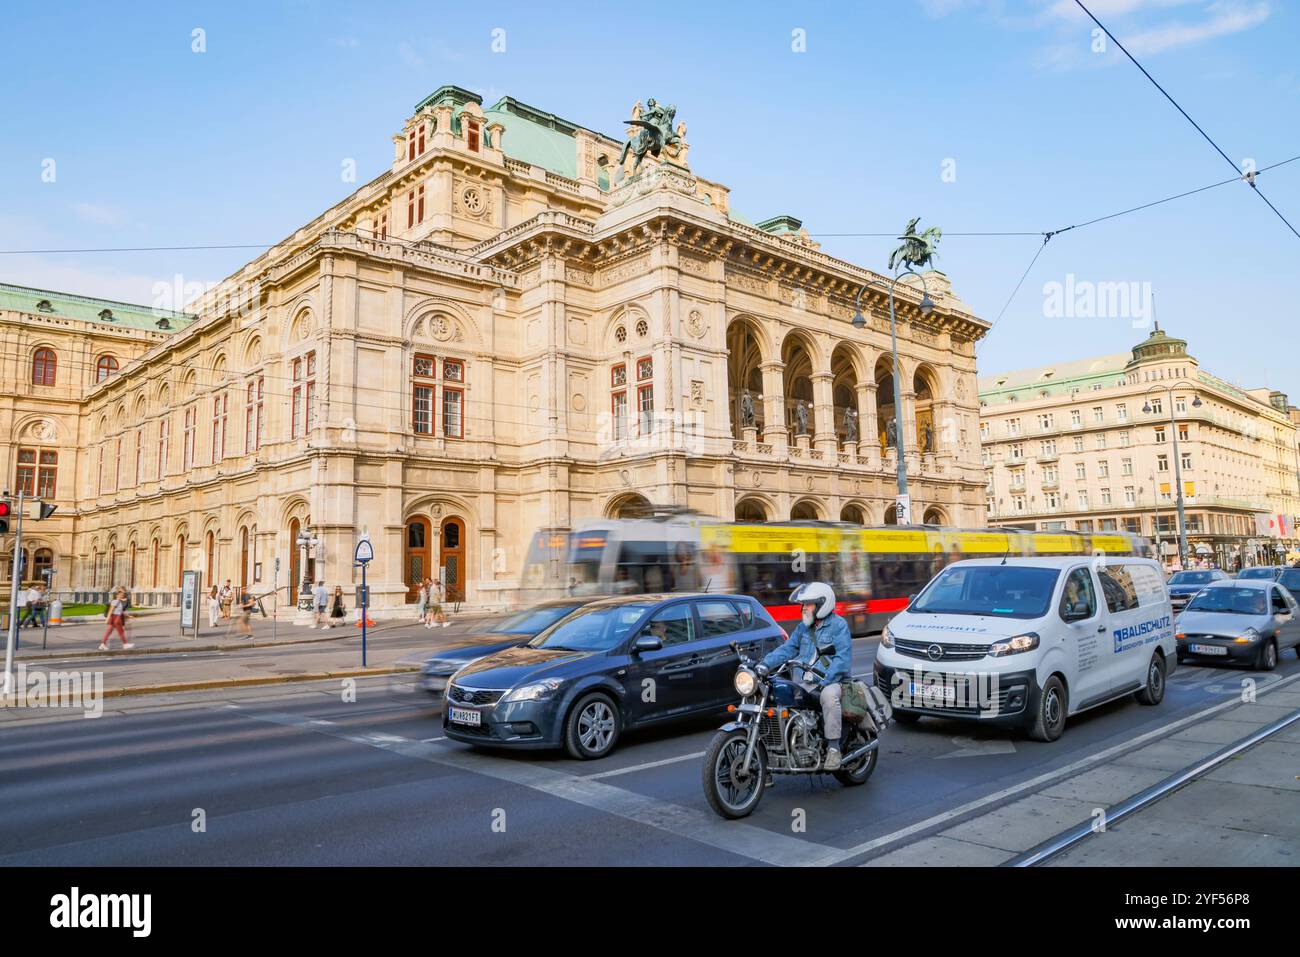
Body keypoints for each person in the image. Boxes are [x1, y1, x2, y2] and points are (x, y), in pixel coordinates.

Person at [755, 581, 851, 770]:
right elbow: (787, 649)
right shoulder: (802, 629)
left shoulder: (839, 626)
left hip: (833, 682)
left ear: (822, 605)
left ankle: (833, 749)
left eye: (808, 604)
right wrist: (764, 665)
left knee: (828, 697)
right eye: (803, 604)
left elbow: (842, 660)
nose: (803, 608)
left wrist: (823, 679)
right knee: (776, 696)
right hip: (806, 681)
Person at [98, 587, 135, 651]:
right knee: (121, 632)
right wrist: (107, 619)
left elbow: (120, 611)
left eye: (123, 594)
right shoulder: (115, 601)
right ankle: (125, 644)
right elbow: (110, 610)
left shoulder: (118, 602)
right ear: (117, 595)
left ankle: (102, 644)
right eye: (121, 594)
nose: (122, 595)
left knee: (109, 632)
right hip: (116, 618)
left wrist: (128, 616)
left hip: (115, 618)